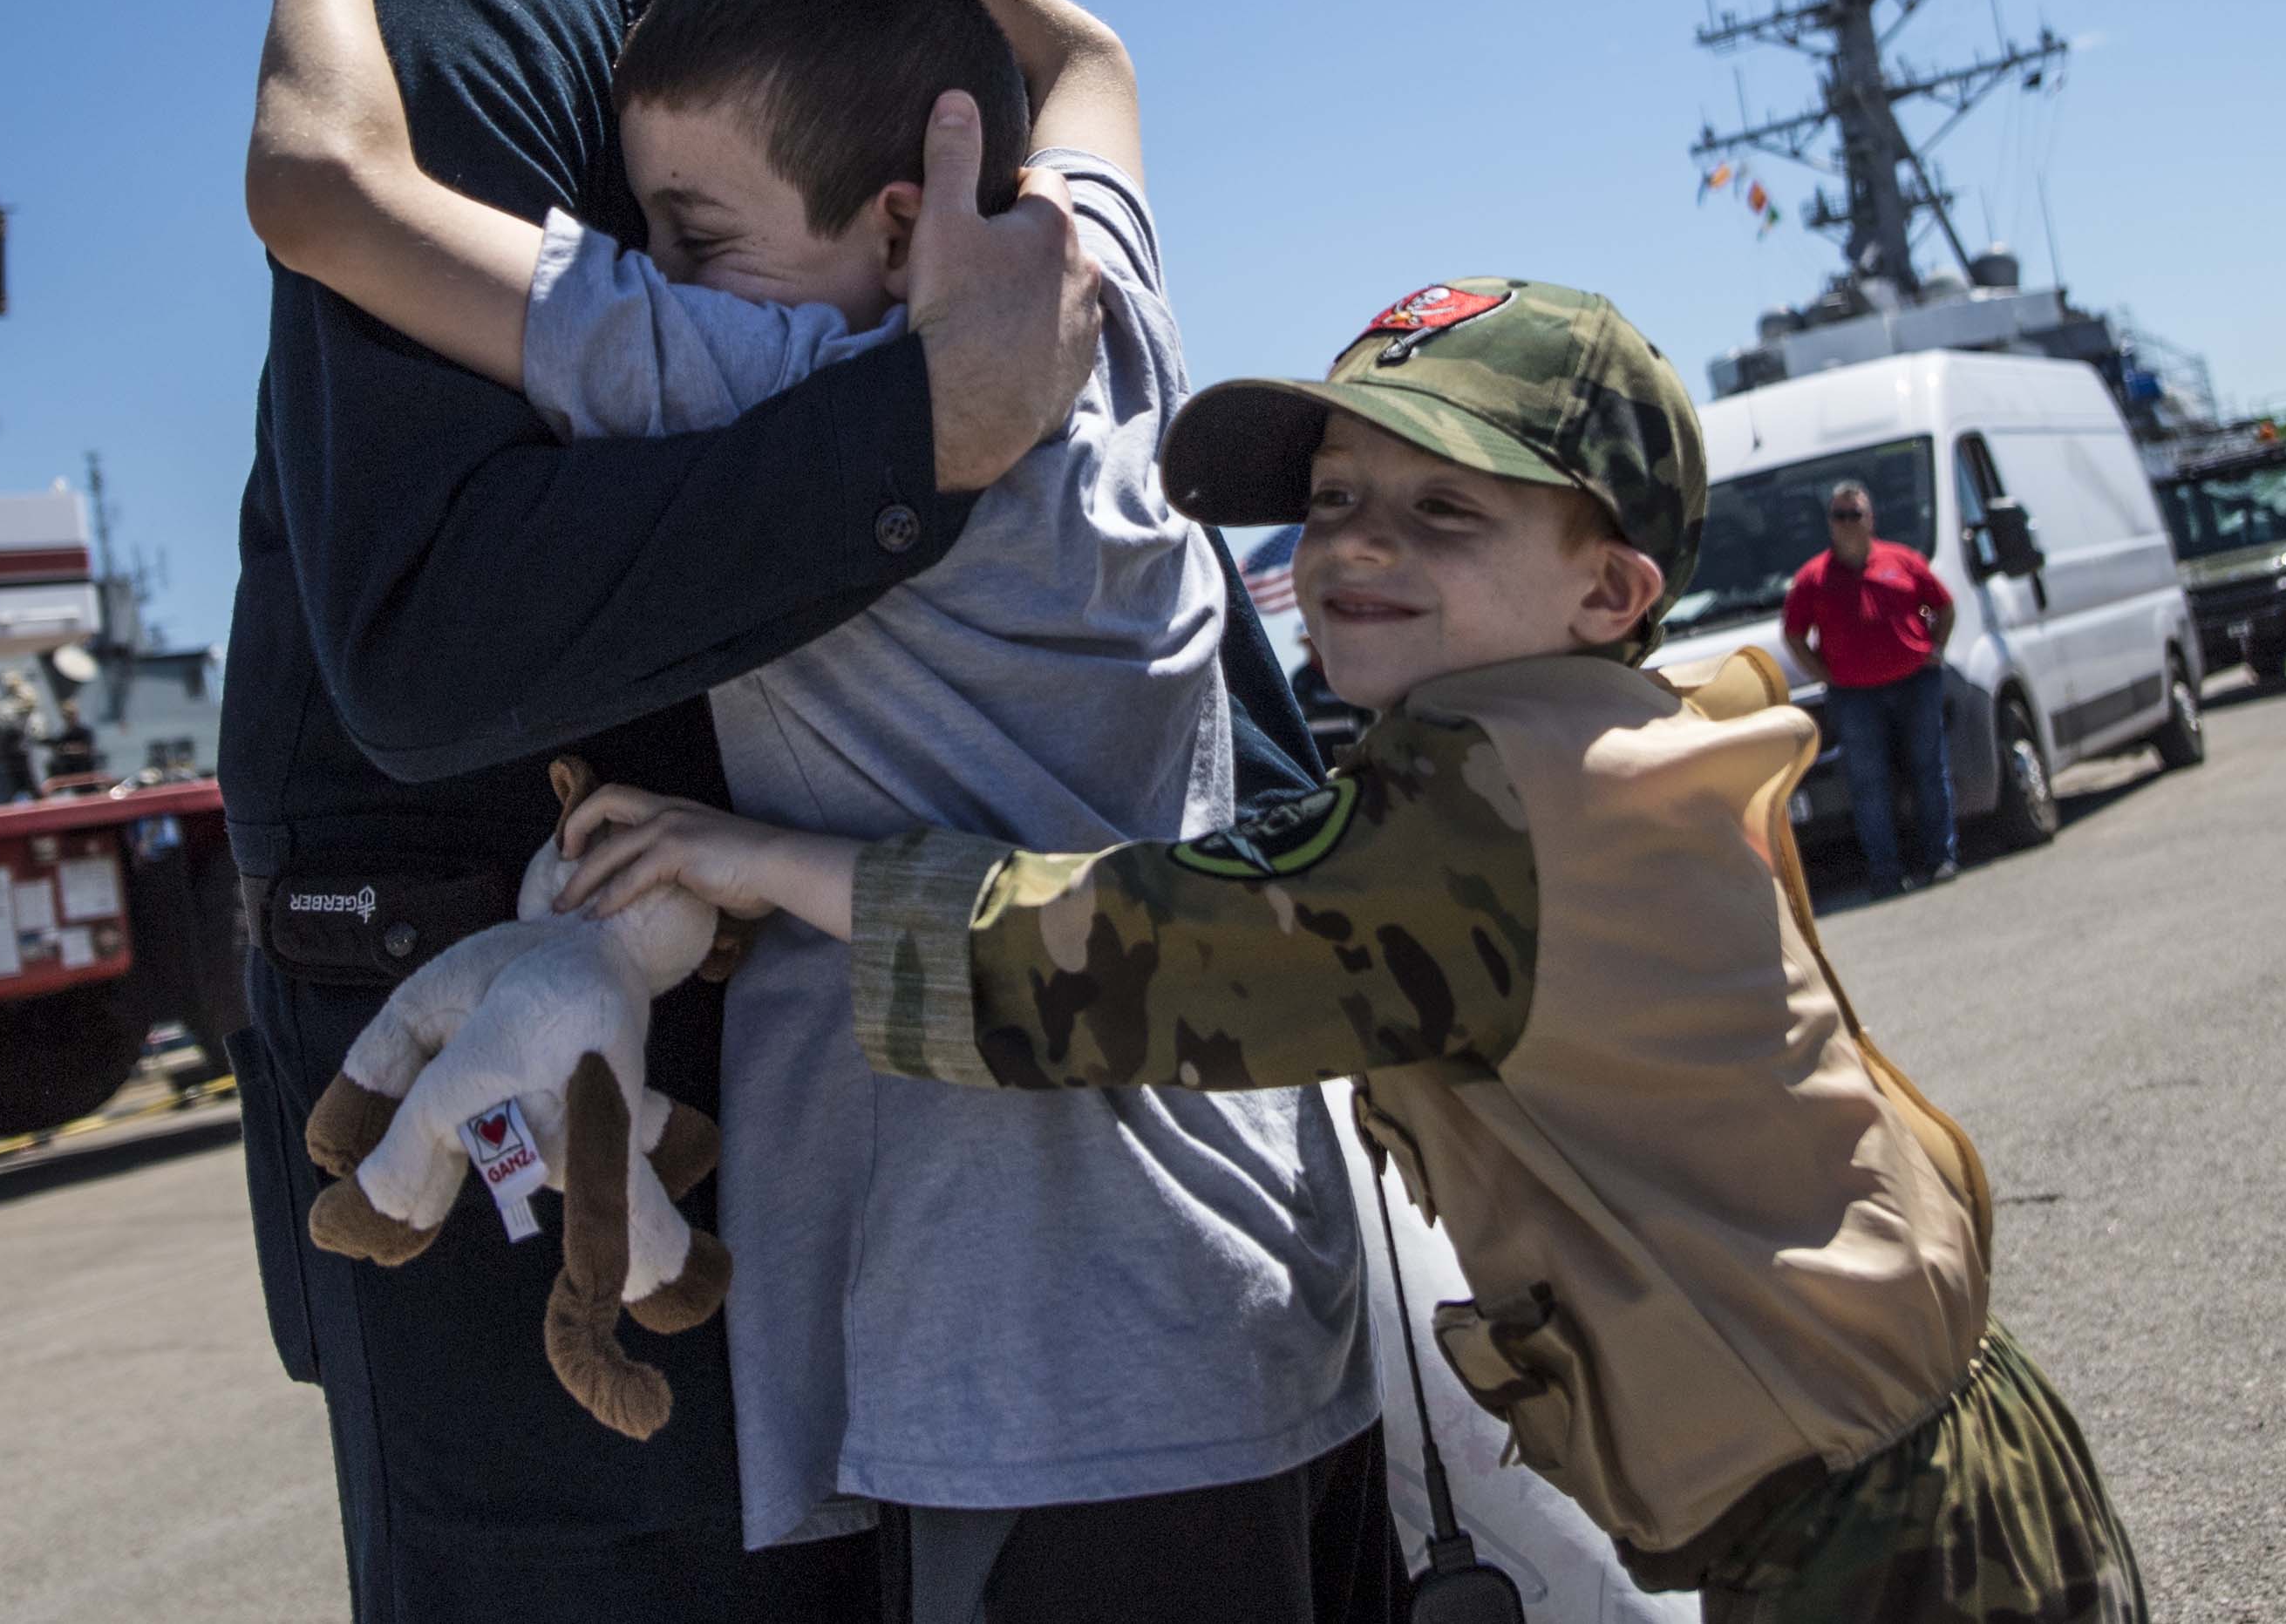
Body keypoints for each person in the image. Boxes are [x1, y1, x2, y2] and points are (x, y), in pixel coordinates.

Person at [216, 0, 1377, 1624]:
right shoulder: (491, 30)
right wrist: (906, 432)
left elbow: (1104, 461)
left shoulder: (958, 70)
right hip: (553, 1160)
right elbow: (425, 643)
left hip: (923, 1160)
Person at [548, 279, 2152, 1623]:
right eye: (1329, 502)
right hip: (1909, 1444)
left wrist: (746, 849)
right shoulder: (1609, 734)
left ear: (1609, 587)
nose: (1352, 551)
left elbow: (1125, 954)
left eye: (1442, 509)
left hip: (1862, 1526)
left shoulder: (1486, 803)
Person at [1780, 480, 1961, 895]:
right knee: (1868, 783)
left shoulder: (1902, 561)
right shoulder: (1814, 578)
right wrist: (1822, 672)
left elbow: (1944, 606)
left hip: (1916, 682)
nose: (1846, 523)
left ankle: (1941, 858)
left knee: (1929, 770)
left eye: (1853, 514)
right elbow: (1793, 634)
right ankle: (1885, 872)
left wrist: (1935, 648)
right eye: (1838, 516)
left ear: (1870, 518)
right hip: (1854, 695)